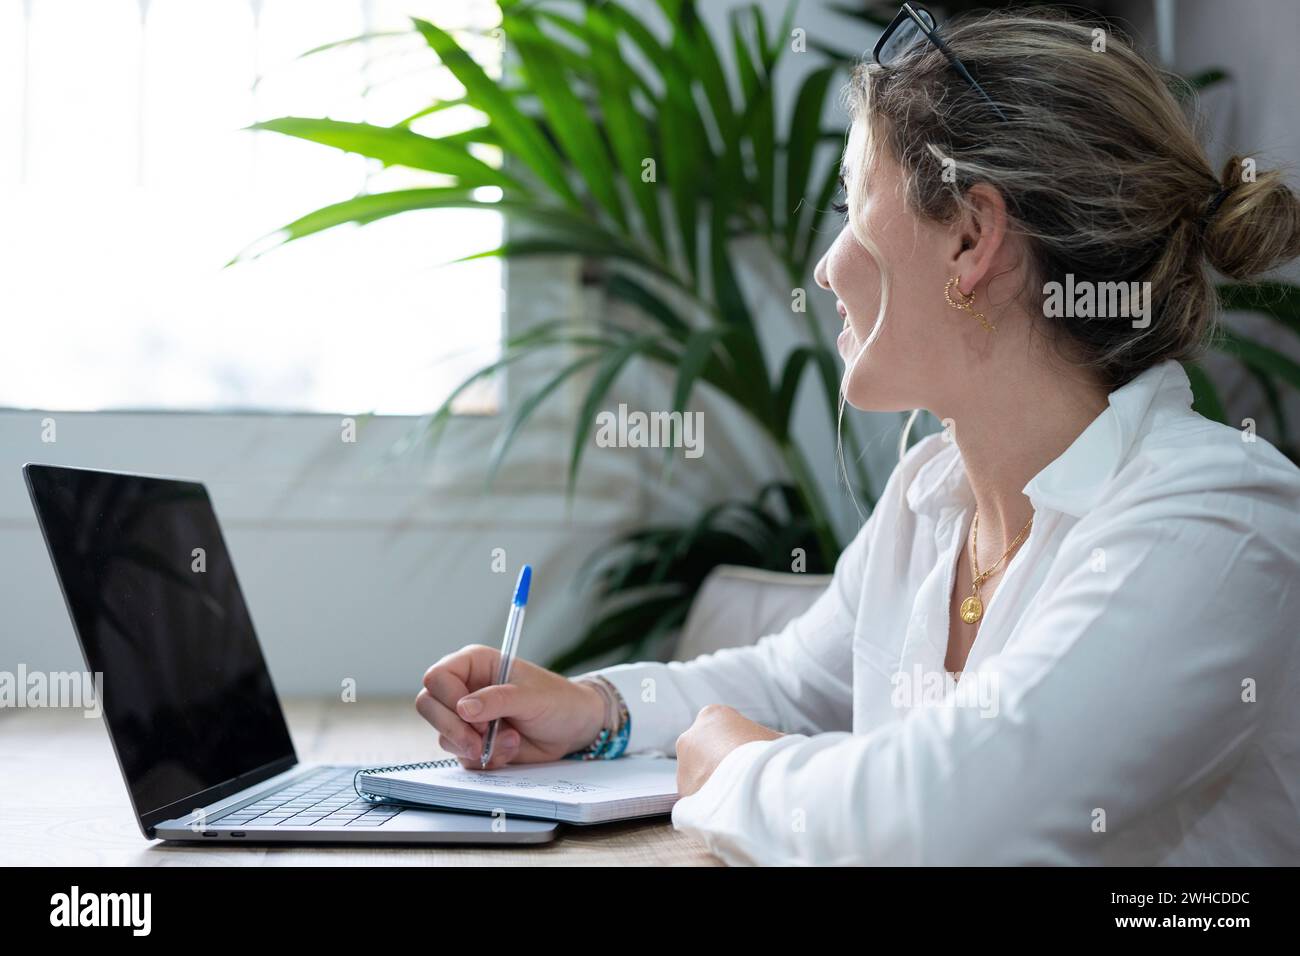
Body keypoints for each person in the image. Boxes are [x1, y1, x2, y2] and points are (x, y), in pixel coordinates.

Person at [415, 6, 1300, 865]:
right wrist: (595, 707)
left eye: (852, 206)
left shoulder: (1216, 524)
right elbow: (789, 684)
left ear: (970, 238)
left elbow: (951, 822)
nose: (825, 268)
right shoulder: (934, 493)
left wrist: (732, 768)